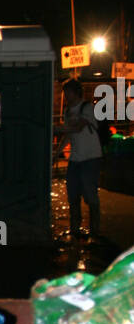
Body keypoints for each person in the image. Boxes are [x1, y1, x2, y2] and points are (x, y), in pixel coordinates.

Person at [58, 78, 104, 239]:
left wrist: (58, 128)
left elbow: (77, 128)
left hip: (90, 157)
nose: (66, 95)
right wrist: (58, 151)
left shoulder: (87, 108)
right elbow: (69, 135)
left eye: (67, 92)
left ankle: (94, 230)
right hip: (75, 158)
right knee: (72, 193)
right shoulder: (68, 111)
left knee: (89, 193)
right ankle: (75, 228)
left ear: (75, 92)